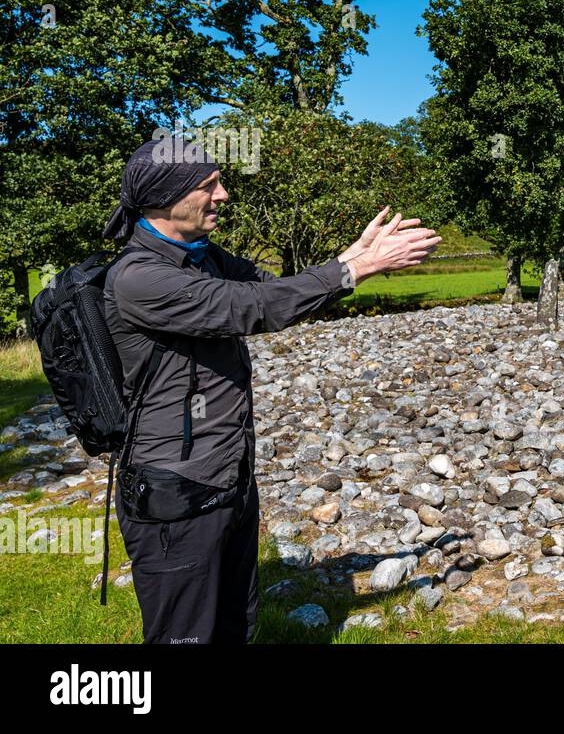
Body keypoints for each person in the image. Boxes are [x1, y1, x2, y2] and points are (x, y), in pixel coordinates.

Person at [101, 132, 440, 644]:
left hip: (226, 474)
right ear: (166, 198)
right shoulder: (140, 279)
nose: (223, 195)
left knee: (238, 623)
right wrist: (359, 268)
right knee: (185, 633)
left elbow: (276, 291)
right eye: (210, 185)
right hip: (174, 487)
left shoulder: (200, 255)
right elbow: (248, 309)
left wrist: (353, 258)